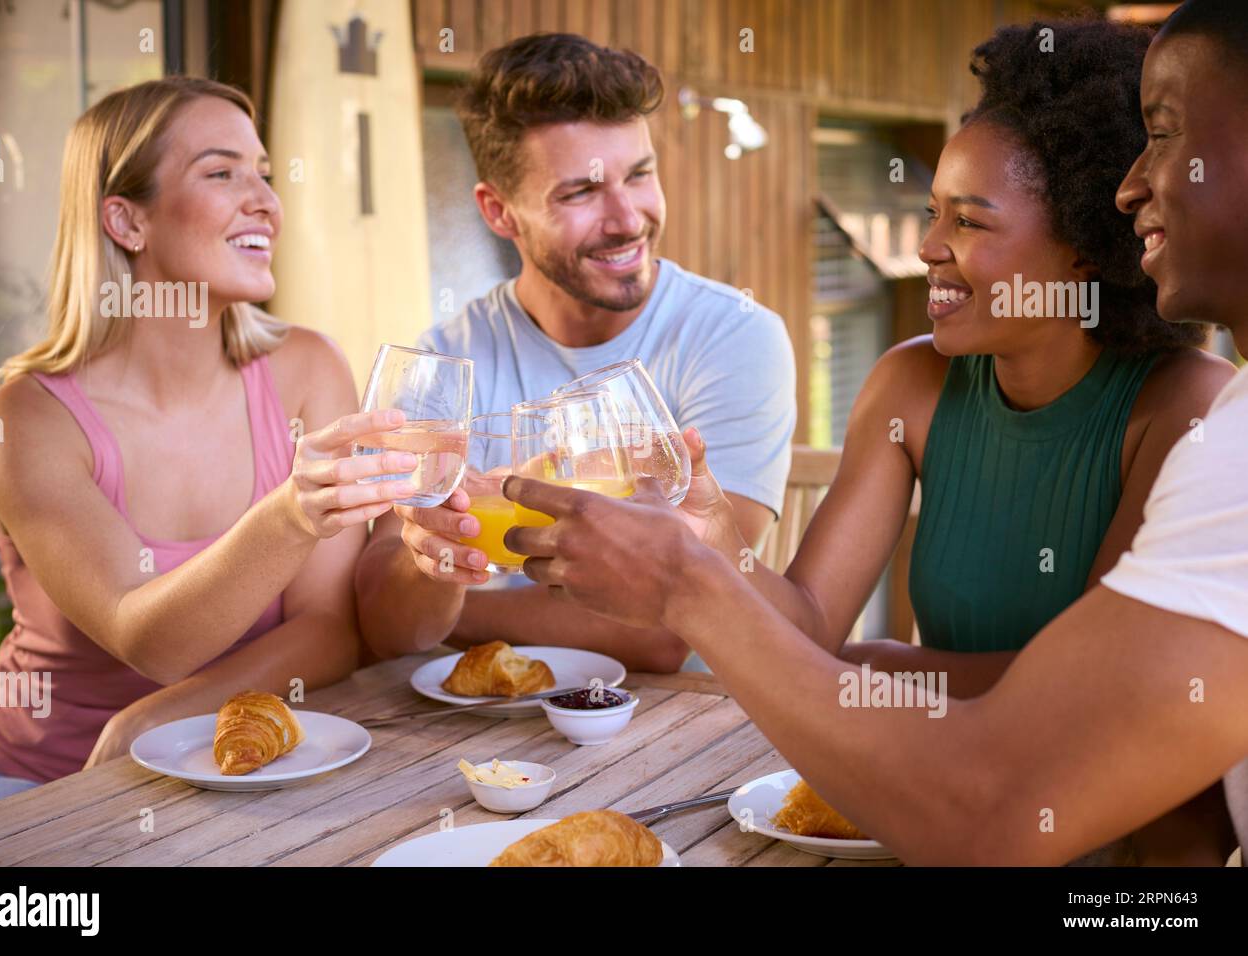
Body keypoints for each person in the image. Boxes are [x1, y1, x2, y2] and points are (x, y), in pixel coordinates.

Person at [500, 0, 1248, 866]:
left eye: (967, 222)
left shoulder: (1190, 408)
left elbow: (1082, 705)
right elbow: (810, 625)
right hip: (940, 796)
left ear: (1083, 248)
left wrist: (878, 662)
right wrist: (714, 542)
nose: (929, 247)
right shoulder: (912, 382)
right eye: (933, 212)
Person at [0, 77, 415, 818]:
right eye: (223, 172)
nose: (266, 199)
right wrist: (290, 516)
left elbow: (328, 630)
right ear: (126, 221)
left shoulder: (306, 371)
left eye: (263, 171)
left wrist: (158, 716)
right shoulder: (24, 422)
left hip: (229, 775)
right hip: (38, 787)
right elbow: (149, 640)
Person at [354, 33, 796, 673]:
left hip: (678, 730)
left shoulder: (733, 335)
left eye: (639, 175)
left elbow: (670, 627)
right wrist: (433, 563)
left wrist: (461, 616)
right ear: (499, 212)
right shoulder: (445, 359)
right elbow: (389, 627)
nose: (627, 218)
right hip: (478, 736)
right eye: (581, 193)